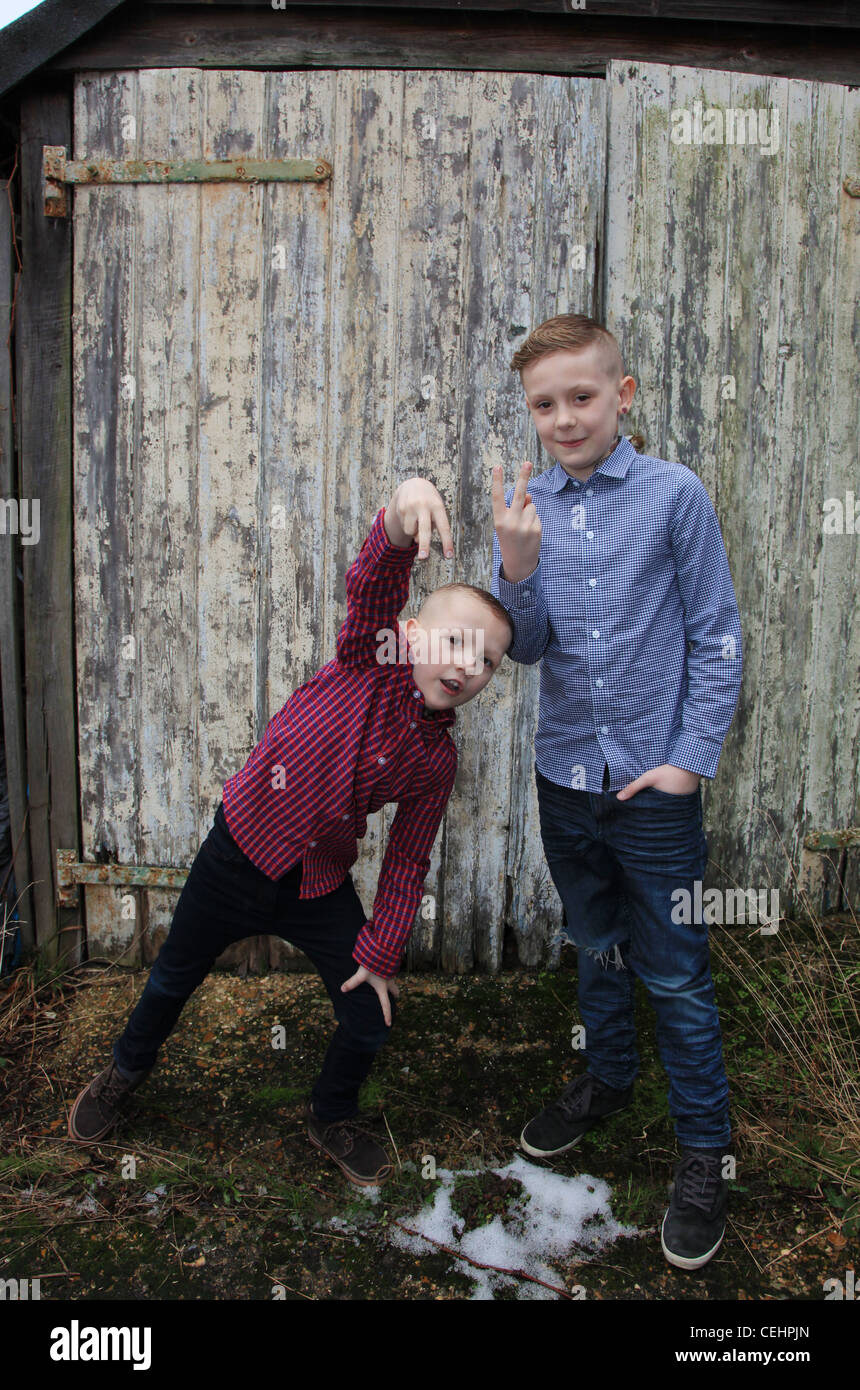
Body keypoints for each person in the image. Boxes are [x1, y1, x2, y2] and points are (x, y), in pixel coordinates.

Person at [69, 477, 513, 1187]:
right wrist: (402, 513)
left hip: (317, 884)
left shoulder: (437, 759)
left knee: (371, 1014)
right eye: (456, 642)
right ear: (411, 634)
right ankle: (125, 1072)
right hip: (237, 854)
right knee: (170, 982)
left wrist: (381, 949)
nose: (467, 664)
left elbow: (406, 861)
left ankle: (331, 1113)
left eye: (486, 660)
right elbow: (372, 581)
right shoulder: (372, 657)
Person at [491, 312, 743, 1270]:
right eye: (543, 404)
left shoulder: (675, 497)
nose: (563, 418)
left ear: (623, 396)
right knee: (596, 945)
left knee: (674, 967)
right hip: (567, 778)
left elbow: (717, 636)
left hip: (654, 788)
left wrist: (687, 763)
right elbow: (532, 648)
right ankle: (606, 1078)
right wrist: (518, 569)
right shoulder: (532, 510)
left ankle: (704, 1151)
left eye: (582, 397)